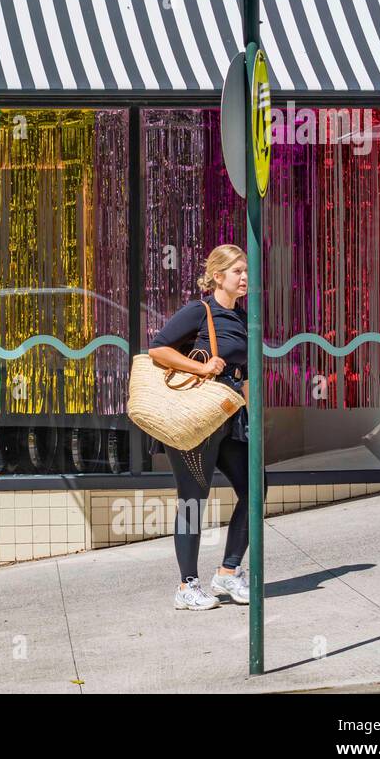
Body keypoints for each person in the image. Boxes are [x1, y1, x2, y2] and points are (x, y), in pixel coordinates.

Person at [147, 245, 251, 611]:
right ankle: (186, 585)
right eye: (237, 271)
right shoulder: (199, 310)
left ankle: (228, 571)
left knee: (255, 487)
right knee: (193, 499)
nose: (244, 278)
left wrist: (252, 413)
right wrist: (201, 368)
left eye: (246, 271)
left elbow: (244, 370)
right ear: (218, 276)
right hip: (195, 420)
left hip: (229, 418)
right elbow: (157, 349)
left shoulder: (243, 316)